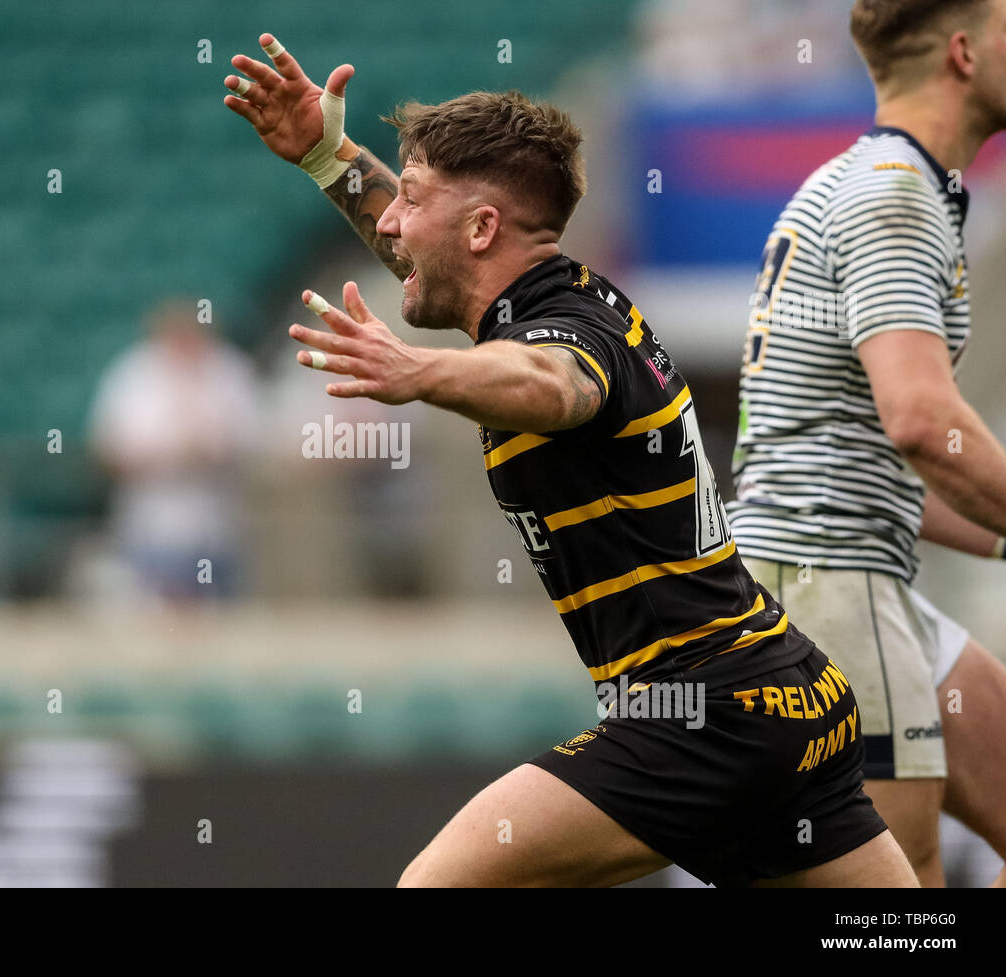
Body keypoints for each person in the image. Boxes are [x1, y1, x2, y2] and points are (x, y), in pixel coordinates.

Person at [221, 34, 916, 886]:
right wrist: (330, 156)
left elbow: (554, 387)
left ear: (482, 227)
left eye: (407, 197)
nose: (390, 222)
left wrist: (417, 370)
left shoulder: (561, 337)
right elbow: (435, 266)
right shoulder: (561, 298)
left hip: (700, 709)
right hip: (790, 694)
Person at [729, 0, 1006, 887]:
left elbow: (873, 466)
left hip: (840, 570)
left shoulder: (869, 180)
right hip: (831, 587)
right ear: (964, 52)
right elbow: (922, 422)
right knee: (894, 908)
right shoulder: (896, 198)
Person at [88, 299, 257, 603]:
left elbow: (252, 442)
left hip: (217, 524)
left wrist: (208, 450)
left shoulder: (229, 373)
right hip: (151, 522)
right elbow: (110, 447)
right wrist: (165, 455)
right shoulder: (133, 374)